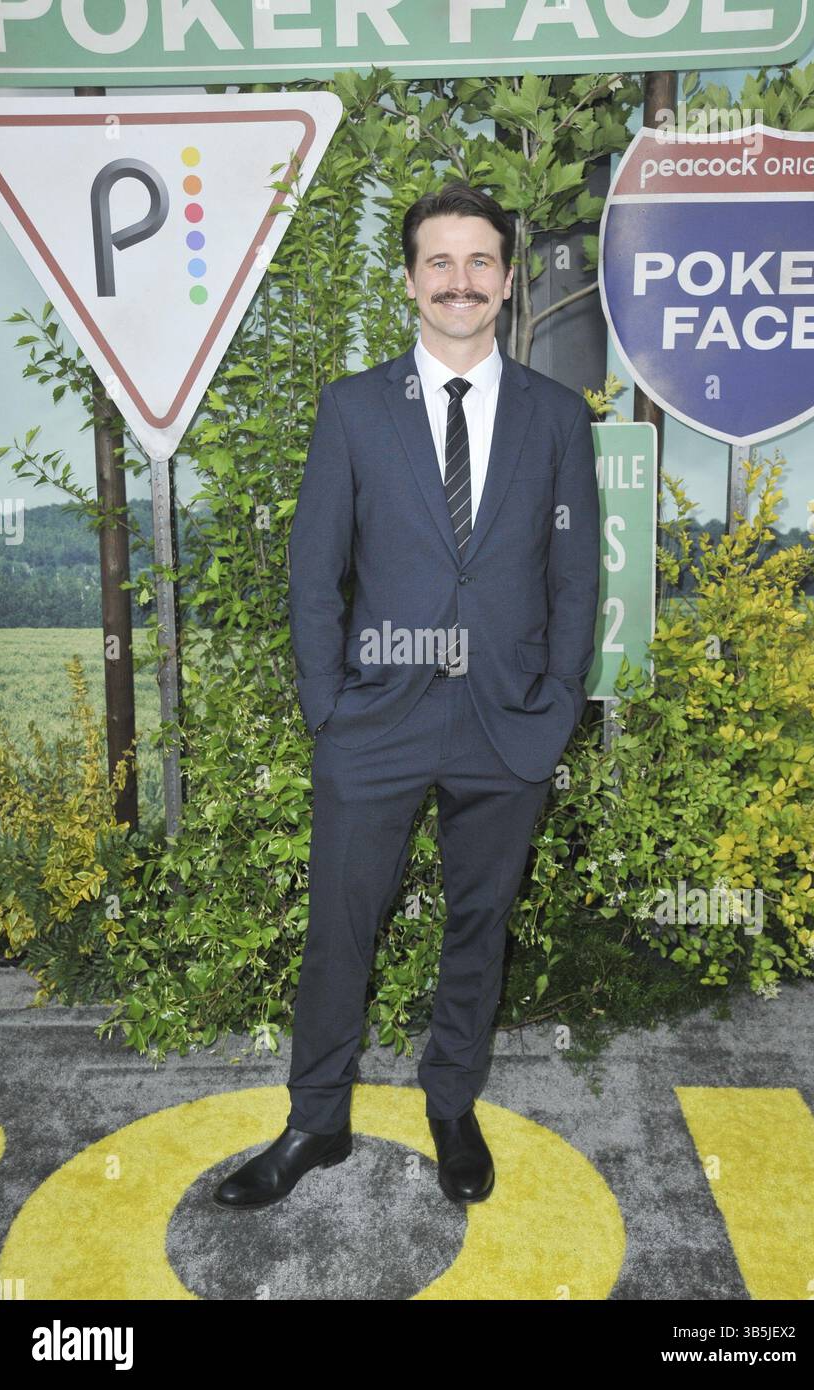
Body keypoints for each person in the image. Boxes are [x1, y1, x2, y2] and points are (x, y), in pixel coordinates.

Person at [213, 182, 600, 1211]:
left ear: (509, 280)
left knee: (479, 920)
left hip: (507, 721)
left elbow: (576, 577)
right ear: (409, 280)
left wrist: (558, 698)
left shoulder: (560, 418)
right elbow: (311, 574)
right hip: (373, 722)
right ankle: (316, 1120)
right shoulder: (351, 408)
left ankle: (451, 1103)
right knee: (340, 924)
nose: (460, 281)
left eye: (480, 262)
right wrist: (327, 706)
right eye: (440, 262)